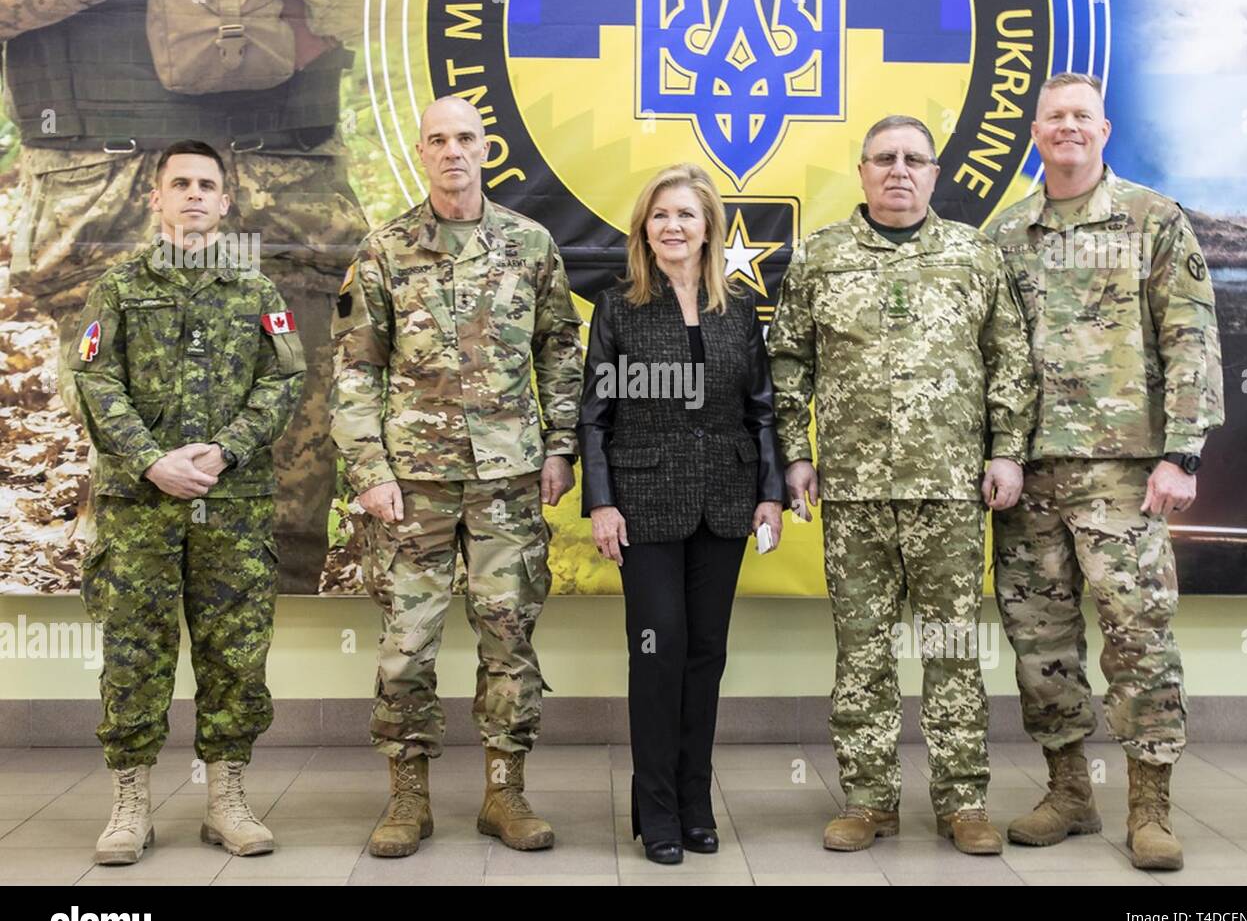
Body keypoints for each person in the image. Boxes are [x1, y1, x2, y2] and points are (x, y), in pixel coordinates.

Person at [1, 0, 373, 593]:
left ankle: (278, 688)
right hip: (103, 207)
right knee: (137, 491)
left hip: (283, 203)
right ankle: (131, 690)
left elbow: (437, 5)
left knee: (283, 509)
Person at [767, 116, 1036, 856]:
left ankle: (963, 801)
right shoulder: (820, 259)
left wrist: (1007, 452)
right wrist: (795, 454)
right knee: (862, 651)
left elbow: (1009, 359)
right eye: (884, 158)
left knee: (952, 646)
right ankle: (868, 800)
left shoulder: (972, 255)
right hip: (853, 493)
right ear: (861, 171)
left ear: (935, 173)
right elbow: (789, 364)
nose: (899, 171)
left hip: (950, 490)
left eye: (914, 159)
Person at [330, 97, 583, 857]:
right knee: (408, 643)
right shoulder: (384, 251)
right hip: (413, 484)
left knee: (509, 638)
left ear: (486, 147)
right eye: (437, 140)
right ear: (420, 152)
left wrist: (561, 446)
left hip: (508, 478)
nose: (452, 152)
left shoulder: (531, 246)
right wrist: (370, 471)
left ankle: (504, 792)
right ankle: (408, 797)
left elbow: (560, 353)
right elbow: (353, 371)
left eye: (465, 138)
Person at [985, 73, 1225, 872]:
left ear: (1104, 128)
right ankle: (1069, 793)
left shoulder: (1155, 219)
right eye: (1054, 116)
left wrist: (1181, 453)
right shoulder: (1006, 233)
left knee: (1138, 638)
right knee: (1039, 643)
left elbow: (1190, 336)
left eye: (1081, 115)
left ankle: (1150, 807)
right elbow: (990, 357)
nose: (1068, 127)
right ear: (1035, 132)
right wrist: (998, 453)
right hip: (1029, 476)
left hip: (1128, 474)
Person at [73, 140, 306, 865]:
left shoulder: (257, 292)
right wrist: (151, 461)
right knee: (133, 653)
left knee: (235, 653)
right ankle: (130, 803)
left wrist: (226, 447)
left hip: (231, 500)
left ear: (226, 201)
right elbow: (93, 380)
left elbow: (285, 381)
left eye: (208, 184)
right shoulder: (116, 288)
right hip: (138, 504)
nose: (195, 195)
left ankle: (227, 798)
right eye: (181, 184)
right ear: (157, 198)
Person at [578, 164, 785, 865]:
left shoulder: (740, 312)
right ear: (645, 229)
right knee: (658, 652)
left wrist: (769, 491)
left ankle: (696, 803)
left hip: (724, 505)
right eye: (660, 215)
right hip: (644, 506)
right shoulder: (620, 309)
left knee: (705, 656)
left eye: (686, 216)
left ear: (708, 230)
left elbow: (762, 411)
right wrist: (601, 502)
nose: (673, 226)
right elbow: (595, 418)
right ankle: (656, 809)